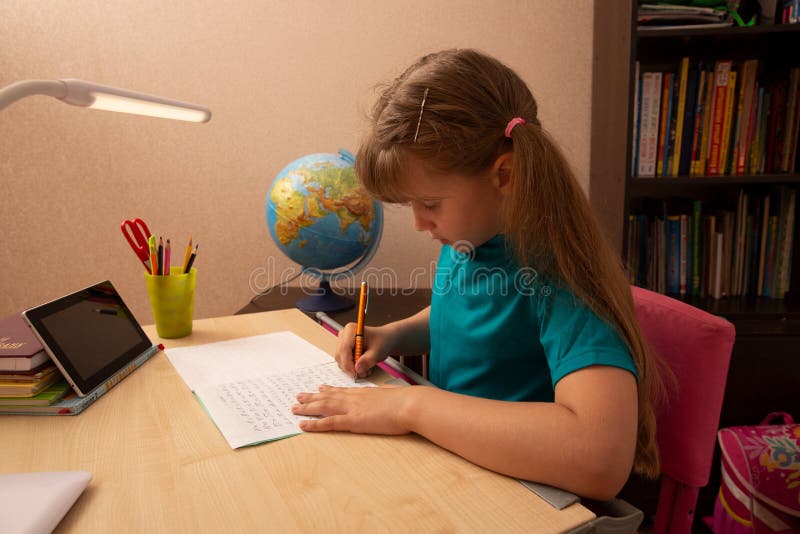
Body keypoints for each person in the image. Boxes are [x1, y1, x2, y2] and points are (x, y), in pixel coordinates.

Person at [292, 49, 662, 500]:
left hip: (524, 498)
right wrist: (393, 335)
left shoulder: (560, 274)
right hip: (459, 470)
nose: (418, 223)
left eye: (429, 204)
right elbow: (466, 316)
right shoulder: (470, 240)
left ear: (503, 175)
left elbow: (600, 459)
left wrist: (411, 405)